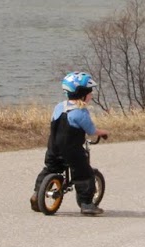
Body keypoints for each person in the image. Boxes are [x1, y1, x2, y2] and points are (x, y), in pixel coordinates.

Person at [38, 71, 109, 215]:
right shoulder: (81, 112)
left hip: (53, 147)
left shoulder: (59, 107)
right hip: (71, 151)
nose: (91, 95)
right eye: (89, 93)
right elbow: (91, 130)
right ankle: (87, 204)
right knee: (84, 173)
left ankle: (36, 196)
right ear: (82, 93)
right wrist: (102, 132)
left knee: (50, 168)